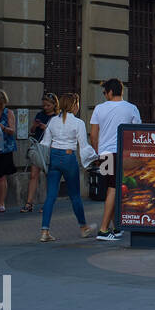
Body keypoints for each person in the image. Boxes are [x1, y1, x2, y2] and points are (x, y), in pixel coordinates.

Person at [38, 92, 95, 242]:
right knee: (75, 195)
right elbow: (83, 146)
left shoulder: (52, 121)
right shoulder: (78, 123)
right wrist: (95, 157)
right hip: (69, 158)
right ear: (74, 105)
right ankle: (83, 227)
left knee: (50, 196)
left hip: (54, 157)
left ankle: (45, 231)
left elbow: (45, 142)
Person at [89, 78, 141, 241]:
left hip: (105, 154)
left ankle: (109, 228)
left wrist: (98, 152)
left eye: (105, 92)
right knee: (115, 189)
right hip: (123, 154)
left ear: (111, 92)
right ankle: (109, 228)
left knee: (111, 189)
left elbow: (93, 135)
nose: (104, 95)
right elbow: (137, 133)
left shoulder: (99, 109)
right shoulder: (132, 108)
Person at [21, 92, 58, 214]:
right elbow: (32, 131)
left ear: (54, 105)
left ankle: (48, 203)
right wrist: (35, 126)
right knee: (33, 175)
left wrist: (46, 128)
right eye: (44, 105)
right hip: (37, 147)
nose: (45, 107)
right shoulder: (39, 115)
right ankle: (29, 203)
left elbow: (57, 134)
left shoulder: (56, 117)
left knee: (49, 176)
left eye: (48, 105)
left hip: (49, 149)